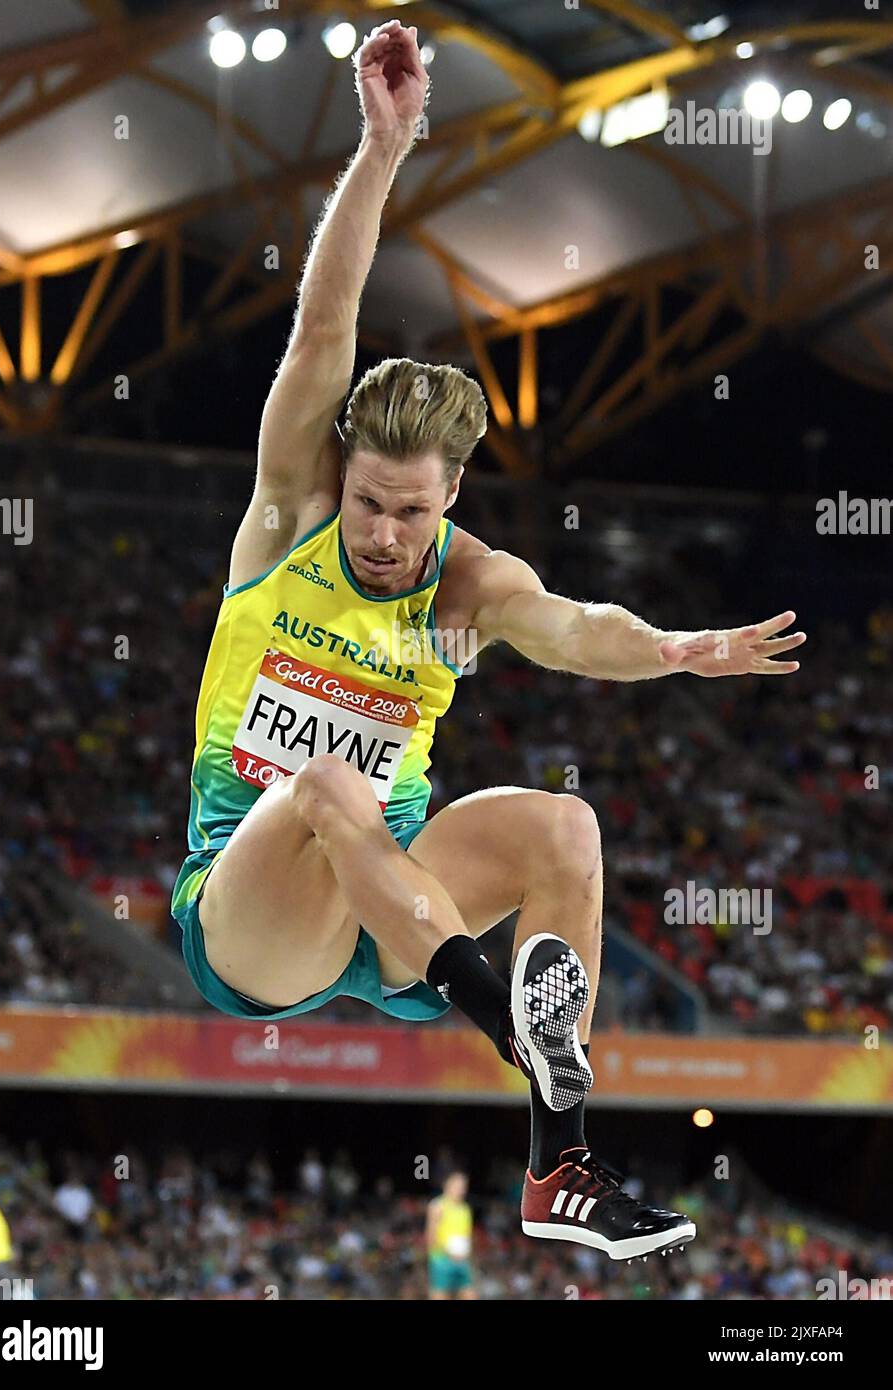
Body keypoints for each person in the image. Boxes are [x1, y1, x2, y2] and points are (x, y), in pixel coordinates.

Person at [170, 19, 805, 1260]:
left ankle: (558, 1163)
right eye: (369, 501)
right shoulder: (287, 516)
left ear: (451, 493)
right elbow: (322, 326)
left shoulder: (467, 577)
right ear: (337, 475)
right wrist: (383, 146)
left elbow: (572, 630)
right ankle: (504, 1020)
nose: (389, 531)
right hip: (256, 918)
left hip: (401, 899)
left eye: (413, 509)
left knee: (564, 825)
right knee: (328, 781)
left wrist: (669, 649)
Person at [427, 1172, 476, 1300]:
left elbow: (468, 1236)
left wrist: (466, 1253)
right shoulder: (438, 1206)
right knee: (440, 1295)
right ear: (447, 1185)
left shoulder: (465, 1209)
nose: (461, 1190)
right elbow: (431, 1235)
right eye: (457, 1186)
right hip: (441, 1259)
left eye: (463, 1186)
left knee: (469, 1294)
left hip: (461, 1259)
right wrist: (448, 1252)